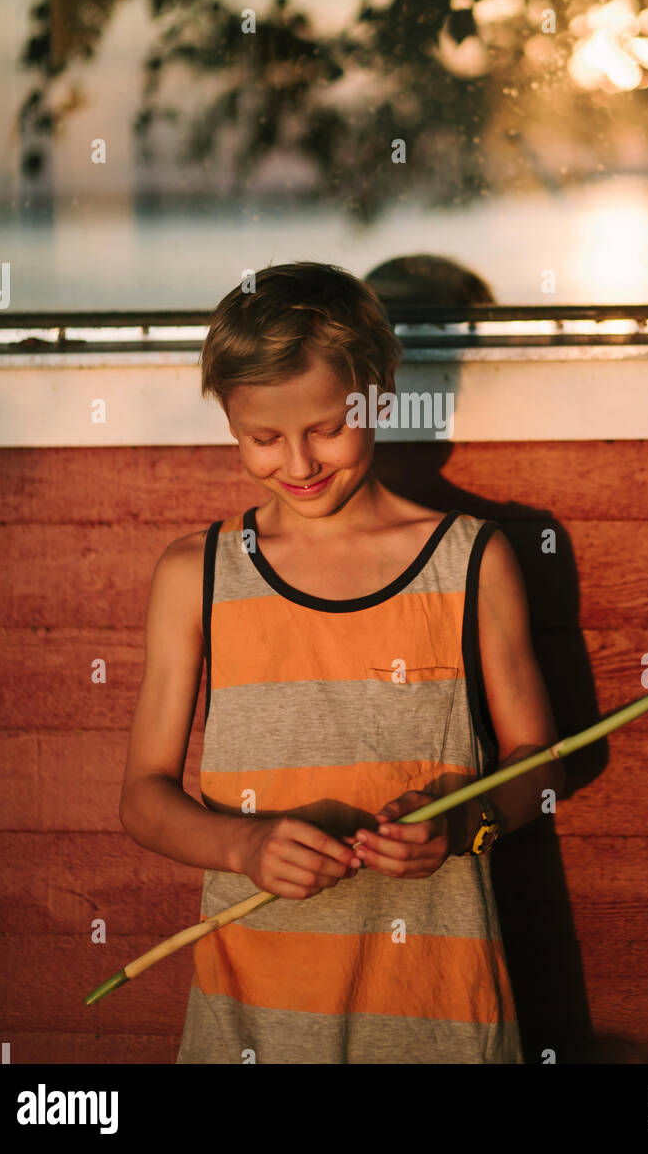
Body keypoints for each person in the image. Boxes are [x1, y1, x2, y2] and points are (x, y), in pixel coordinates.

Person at [119, 260, 565, 1064]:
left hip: (437, 1019)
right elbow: (144, 799)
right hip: (252, 1019)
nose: (298, 463)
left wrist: (466, 821)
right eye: (263, 438)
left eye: (327, 427)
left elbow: (545, 764)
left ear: (379, 391)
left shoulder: (470, 559)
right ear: (229, 422)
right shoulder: (197, 572)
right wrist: (243, 849)